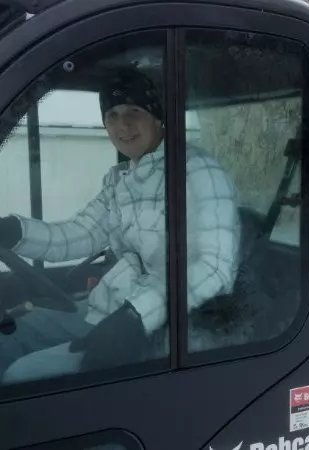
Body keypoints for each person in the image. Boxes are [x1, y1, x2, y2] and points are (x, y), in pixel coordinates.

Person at [0, 67, 241, 383]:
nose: (122, 125)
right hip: (105, 314)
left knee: (22, 377)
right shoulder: (119, 181)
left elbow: (215, 268)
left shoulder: (197, 171)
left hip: (165, 333)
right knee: (8, 338)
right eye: (112, 115)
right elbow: (81, 234)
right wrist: (16, 231)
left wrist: (136, 315)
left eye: (134, 111)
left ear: (157, 117)